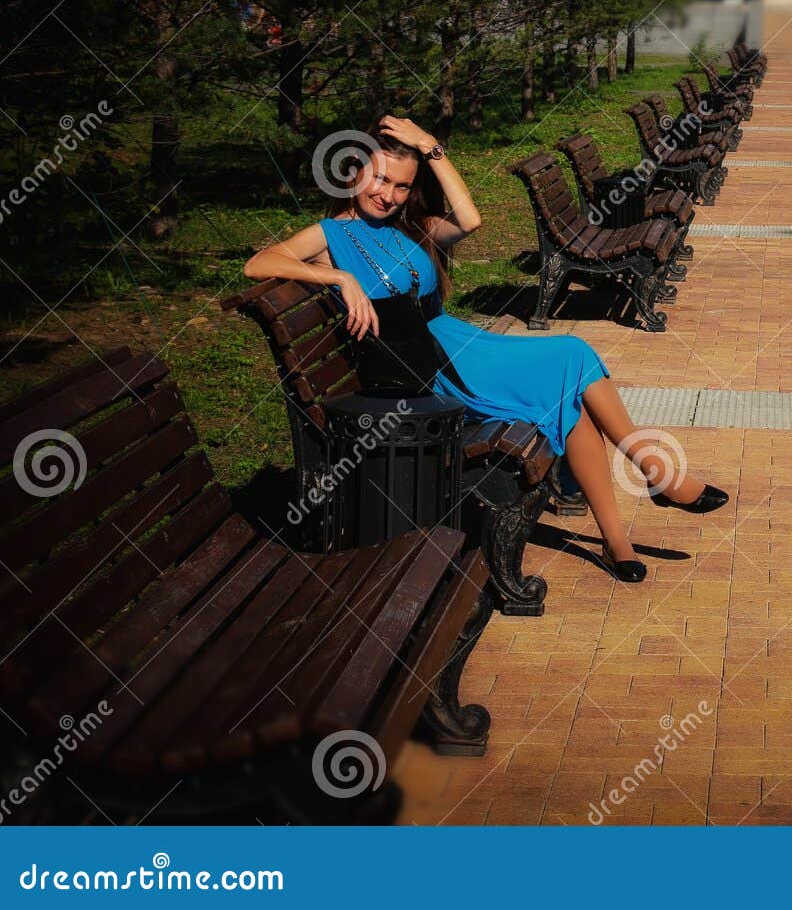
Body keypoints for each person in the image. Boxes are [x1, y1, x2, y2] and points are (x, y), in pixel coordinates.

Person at [243, 115, 727, 582]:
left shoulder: (411, 228)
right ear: (355, 172)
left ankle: (618, 539)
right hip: (430, 366)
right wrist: (339, 276)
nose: (387, 195)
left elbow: (470, 218)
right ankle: (652, 471)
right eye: (380, 179)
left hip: (458, 342)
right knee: (573, 357)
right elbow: (258, 263)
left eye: (401, 187)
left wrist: (431, 146)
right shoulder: (328, 237)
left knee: (571, 397)